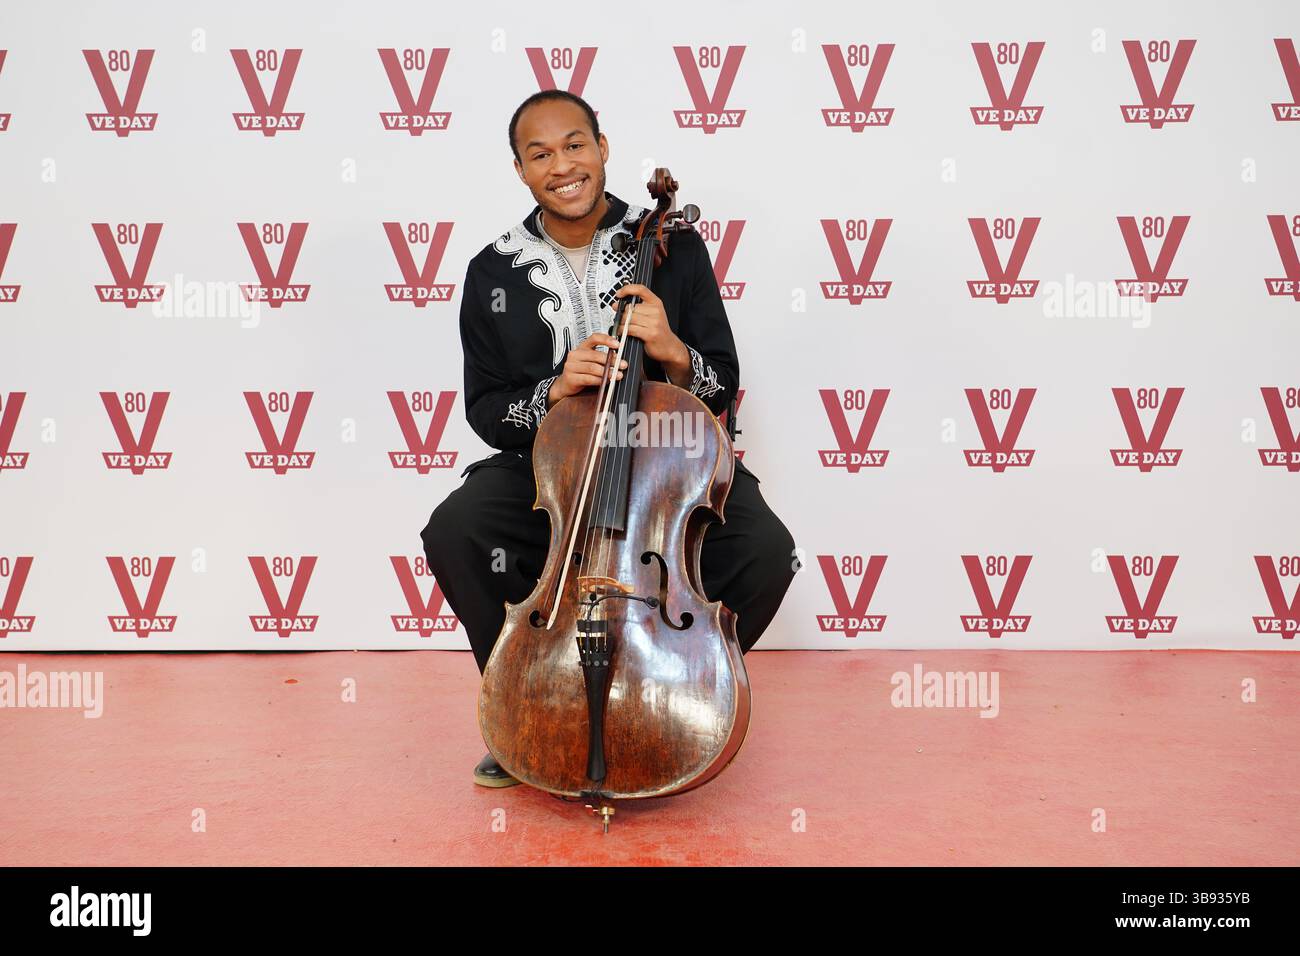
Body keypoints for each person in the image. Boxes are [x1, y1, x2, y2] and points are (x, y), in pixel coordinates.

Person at [420, 89, 796, 788]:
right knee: (457, 529)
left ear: (602, 149)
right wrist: (555, 391)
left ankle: (678, 690)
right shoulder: (491, 271)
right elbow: (486, 409)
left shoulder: (672, 247)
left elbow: (723, 383)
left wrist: (673, 349)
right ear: (520, 170)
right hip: (554, 466)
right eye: (540, 154)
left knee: (767, 551)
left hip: (668, 464)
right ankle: (528, 703)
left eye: (574, 145)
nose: (562, 165)